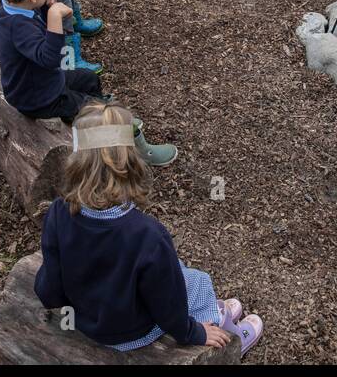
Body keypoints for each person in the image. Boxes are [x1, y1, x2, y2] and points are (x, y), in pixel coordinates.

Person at [34, 100, 263, 355]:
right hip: (132, 331)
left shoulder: (58, 212)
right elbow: (166, 306)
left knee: (175, 271)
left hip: (88, 319)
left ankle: (213, 314)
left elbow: (50, 289)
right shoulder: (147, 235)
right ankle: (228, 334)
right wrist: (191, 332)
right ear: (130, 162)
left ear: (77, 160)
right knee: (195, 282)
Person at [0, 0, 175, 165]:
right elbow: (50, 58)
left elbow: (39, 40)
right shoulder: (19, 27)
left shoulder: (12, 10)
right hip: (39, 98)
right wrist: (53, 16)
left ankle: (87, 121)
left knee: (88, 78)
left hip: (45, 81)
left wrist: (47, 3)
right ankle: (128, 148)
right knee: (102, 113)